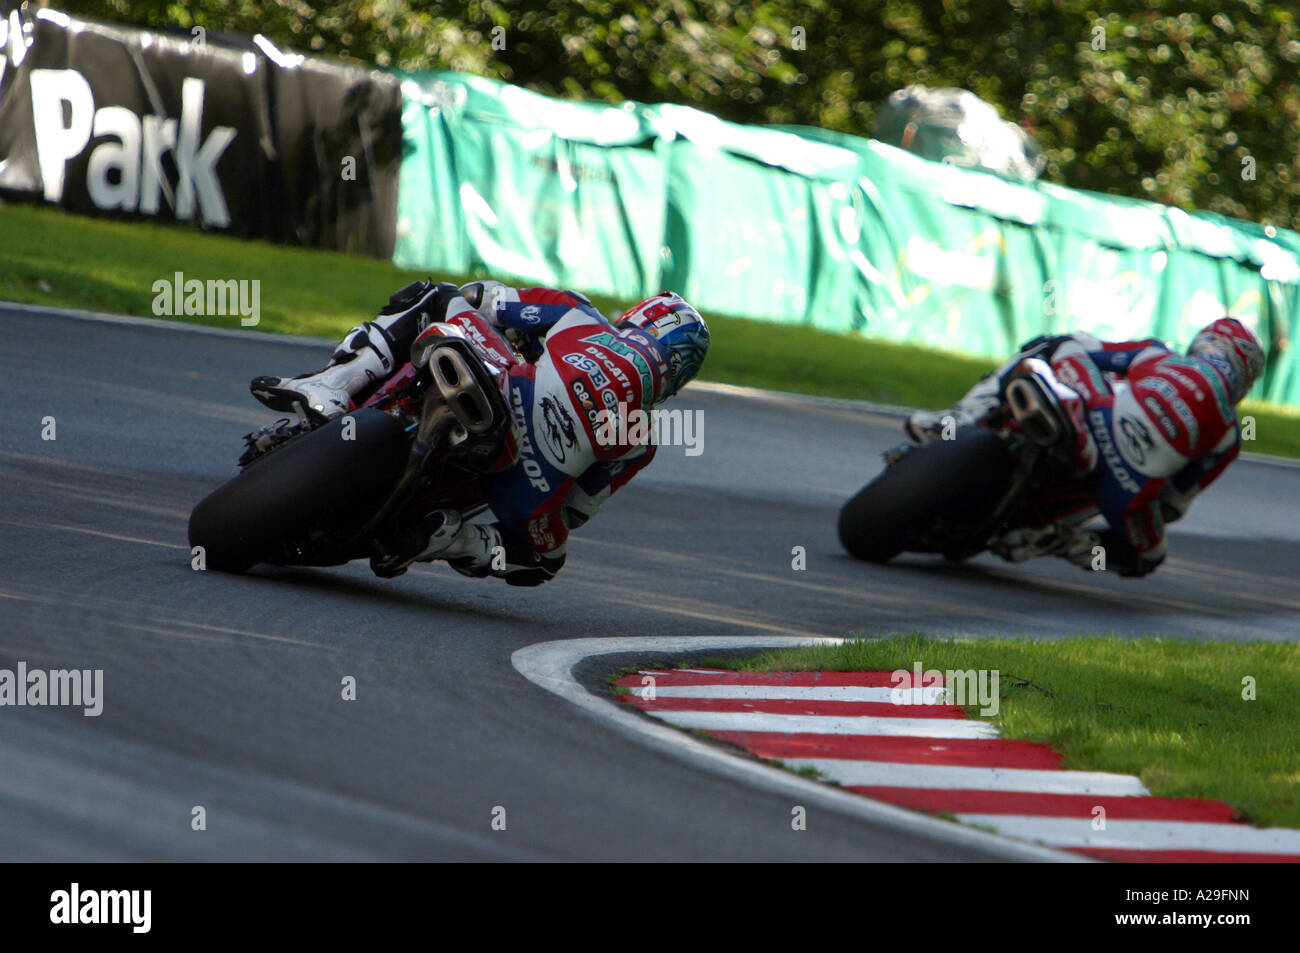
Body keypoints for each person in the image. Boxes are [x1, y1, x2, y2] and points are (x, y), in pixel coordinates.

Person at [250, 280, 709, 584]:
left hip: (509, 393)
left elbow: (482, 297)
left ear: (639, 317)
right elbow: (576, 511)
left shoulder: (581, 316)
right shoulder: (644, 438)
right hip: (523, 486)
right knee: (544, 562)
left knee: (436, 295)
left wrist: (512, 334)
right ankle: (452, 538)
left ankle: (330, 387)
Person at [905, 318, 1265, 577]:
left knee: (1051, 344)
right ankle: (1049, 541)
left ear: (1202, 343)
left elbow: (1086, 348)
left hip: (1091, 417)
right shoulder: (1229, 437)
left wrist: (1080, 378)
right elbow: (1174, 502)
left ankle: (958, 418)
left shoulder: (1157, 354)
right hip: (1122, 489)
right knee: (1147, 557)